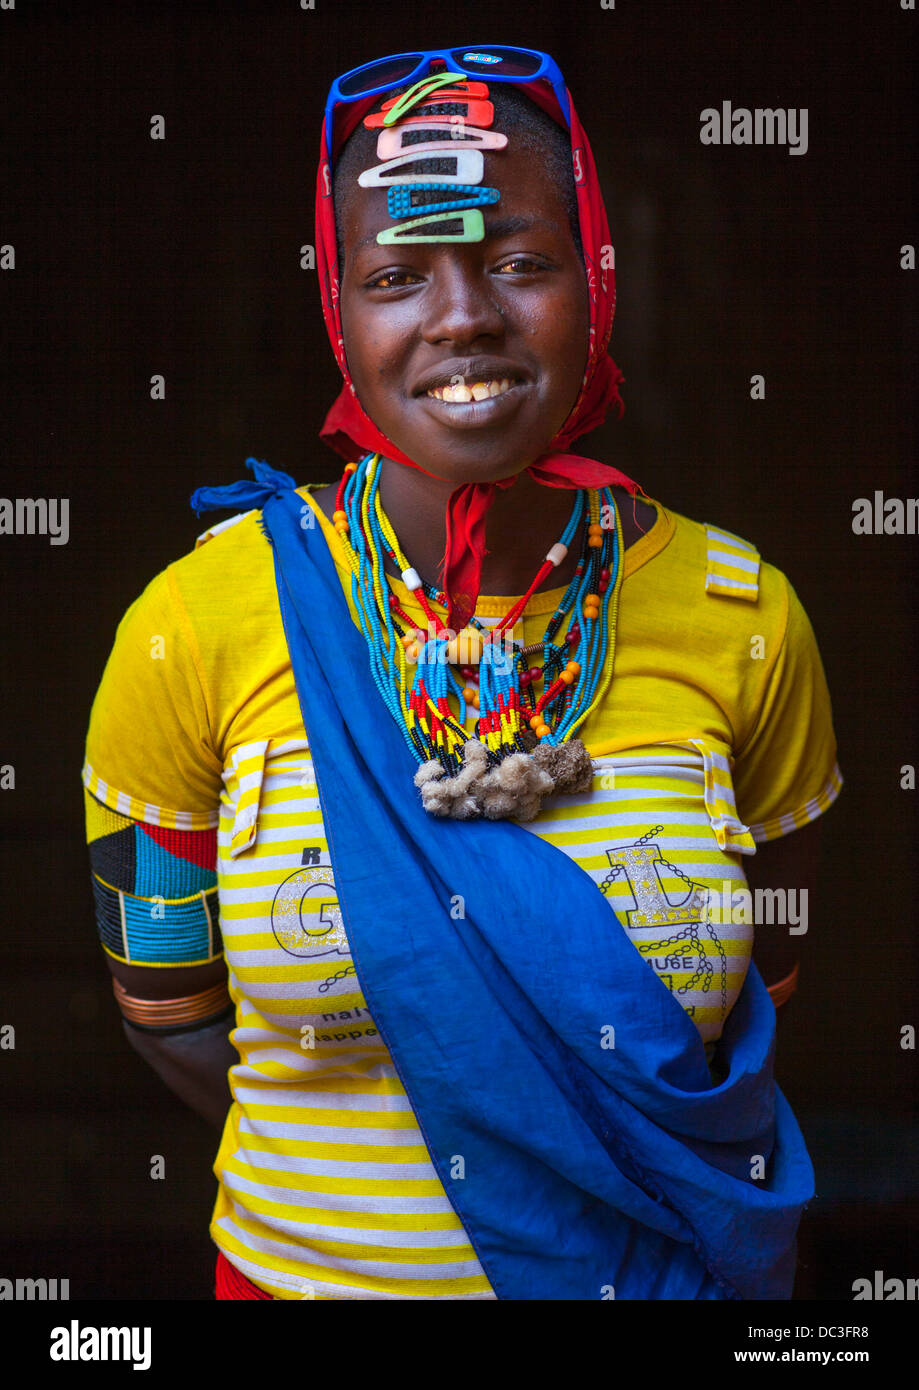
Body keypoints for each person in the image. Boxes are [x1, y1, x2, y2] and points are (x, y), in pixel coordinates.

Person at [82, 47, 842, 1301]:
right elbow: (166, 1008)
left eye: (519, 263)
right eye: (395, 277)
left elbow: (764, 991)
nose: (460, 317)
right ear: (339, 311)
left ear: (595, 279)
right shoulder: (196, 623)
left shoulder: (742, 618)